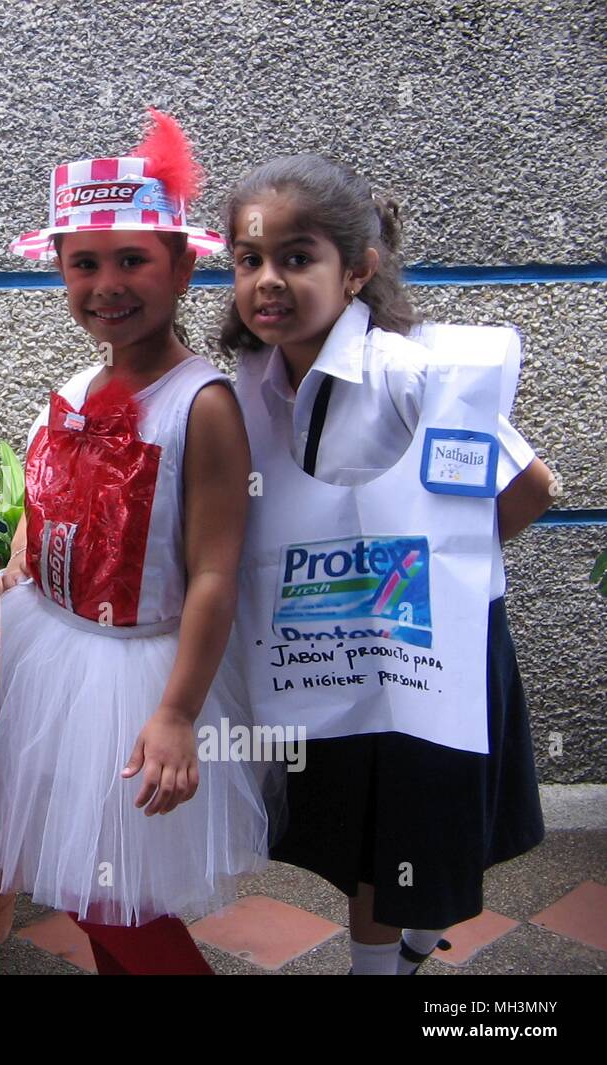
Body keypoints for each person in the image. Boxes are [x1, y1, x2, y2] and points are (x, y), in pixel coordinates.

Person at [220, 154, 552, 974]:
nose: (269, 279)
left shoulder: (411, 374)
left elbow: (530, 486)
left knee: (405, 827)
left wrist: (443, 563)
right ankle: (407, 938)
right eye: (249, 259)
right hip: (327, 648)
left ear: (357, 271)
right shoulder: (250, 383)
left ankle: (387, 960)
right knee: (370, 829)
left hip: (420, 647)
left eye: (298, 258)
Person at [0, 111, 270, 975]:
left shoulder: (200, 404)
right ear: (59, 271)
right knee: (89, 881)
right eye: (84, 263)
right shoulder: (74, 383)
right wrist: (25, 538)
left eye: (133, 259)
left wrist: (174, 714)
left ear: (181, 266)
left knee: (114, 895)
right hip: (51, 657)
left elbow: (214, 571)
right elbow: (46, 493)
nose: (107, 283)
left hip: (137, 675)